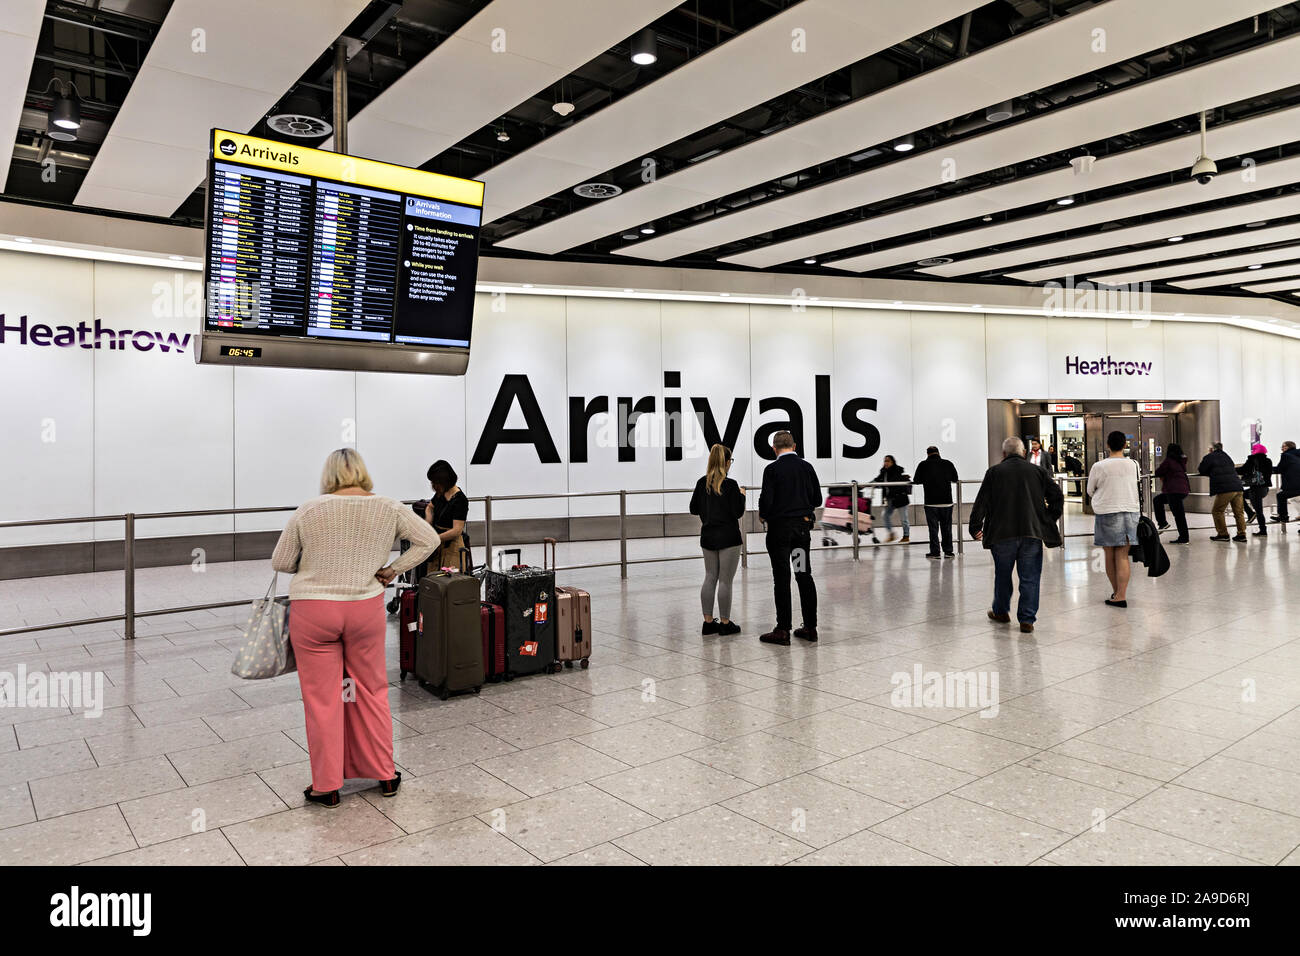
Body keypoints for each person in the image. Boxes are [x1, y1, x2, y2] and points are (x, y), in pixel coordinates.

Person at [271, 448, 440, 808]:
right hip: (364, 608)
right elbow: (430, 540)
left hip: (314, 610)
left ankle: (326, 787)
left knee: (322, 700)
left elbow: (281, 561)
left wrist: (317, 560)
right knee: (372, 691)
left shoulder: (309, 509)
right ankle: (384, 775)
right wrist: (394, 568)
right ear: (362, 472)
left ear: (329, 475)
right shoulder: (389, 507)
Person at [969, 437, 1064, 634]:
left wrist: (975, 526)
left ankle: (1001, 611)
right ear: (1023, 453)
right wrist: (1047, 519)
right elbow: (1057, 496)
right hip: (1031, 532)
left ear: (1004, 454)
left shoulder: (994, 472)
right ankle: (1027, 620)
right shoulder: (1038, 471)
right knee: (1030, 577)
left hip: (1002, 534)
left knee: (1002, 575)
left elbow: (982, 502)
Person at [758, 430, 821, 646]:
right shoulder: (807, 467)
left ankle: (783, 629)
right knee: (803, 574)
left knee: (782, 578)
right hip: (801, 534)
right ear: (794, 446)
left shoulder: (772, 469)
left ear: (774, 449)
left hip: (779, 533)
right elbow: (817, 498)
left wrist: (764, 514)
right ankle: (810, 627)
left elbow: (766, 501)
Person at [689, 444, 746, 636]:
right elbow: (737, 512)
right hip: (729, 537)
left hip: (708, 537)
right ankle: (725, 622)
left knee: (710, 576)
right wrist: (742, 496)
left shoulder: (701, 483)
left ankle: (707, 622)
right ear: (726, 463)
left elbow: (693, 509)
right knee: (725, 581)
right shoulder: (730, 485)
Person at [1088, 430, 1142, 608]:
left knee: (1109, 555)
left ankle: (1117, 593)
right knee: (1123, 556)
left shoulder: (1099, 466)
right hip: (1130, 512)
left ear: (1108, 445)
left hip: (1107, 512)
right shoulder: (1134, 464)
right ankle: (1121, 594)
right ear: (1125, 445)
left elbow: (1090, 490)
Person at [415, 459, 471, 573]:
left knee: (449, 583)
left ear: (443, 482)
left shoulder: (460, 500)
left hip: (452, 547)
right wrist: (428, 523)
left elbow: (457, 530)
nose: (433, 486)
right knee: (433, 581)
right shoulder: (441, 494)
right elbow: (430, 507)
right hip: (437, 545)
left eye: (435, 483)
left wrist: (435, 538)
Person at [913, 445, 959, 559]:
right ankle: (948, 551)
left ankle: (935, 552)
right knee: (946, 527)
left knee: (933, 529)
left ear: (927, 454)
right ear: (938, 453)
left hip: (931, 502)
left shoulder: (923, 465)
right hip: (946, 502)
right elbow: (955, 478)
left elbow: (916, 480)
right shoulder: (948, 463)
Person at [1198, 442, 1247, 542]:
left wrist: (1211, 472)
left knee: (1217, 511)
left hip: (1225, 488)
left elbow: (1201, 470)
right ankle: (1242, 535)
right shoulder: (1226, 456)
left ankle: (1223, 534)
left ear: (1212, 449)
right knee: (1239, 512)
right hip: (1238, 486)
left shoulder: (1209, 457)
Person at [1153, 443, 1191, 544]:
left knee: (1179, 515)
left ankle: (1183, 537)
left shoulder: (1169, 461)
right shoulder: (1181, 461)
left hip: (1173, 491)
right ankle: (1163, 523)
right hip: (1183, 489)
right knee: (1158, 500)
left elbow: (1158, 472)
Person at [873, 454, 911, 543]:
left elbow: (892, 484)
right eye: (884, 461)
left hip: (900, 498)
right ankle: (891, 534)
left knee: (904, 519)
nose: (885, 463)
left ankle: (906, 536)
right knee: (885, 515)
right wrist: (865, 485)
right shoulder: (883, 472)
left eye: (888, 461)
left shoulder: (897, 471)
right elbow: (877, 480)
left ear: (892, 462)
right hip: (890, 499)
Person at [1239, 443, 1273, 536]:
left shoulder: (1252, 460)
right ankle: (1251, 514)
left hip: (1255, 489)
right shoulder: (1268, 460)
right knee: (1240, 495)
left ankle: (1262, 530)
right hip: (1264, 489)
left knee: (1258, 510)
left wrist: (1231, 469)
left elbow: (1242, 470)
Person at [1273, 441, 1299, 531]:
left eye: (1284, 446)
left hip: (1295, 486)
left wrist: (1267, 469)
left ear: (1289, 447)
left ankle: (1283, 517)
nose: (1282, 448)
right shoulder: (1297, 455)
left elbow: (1279, 469)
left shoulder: (1286, 456)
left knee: (1281, 495)